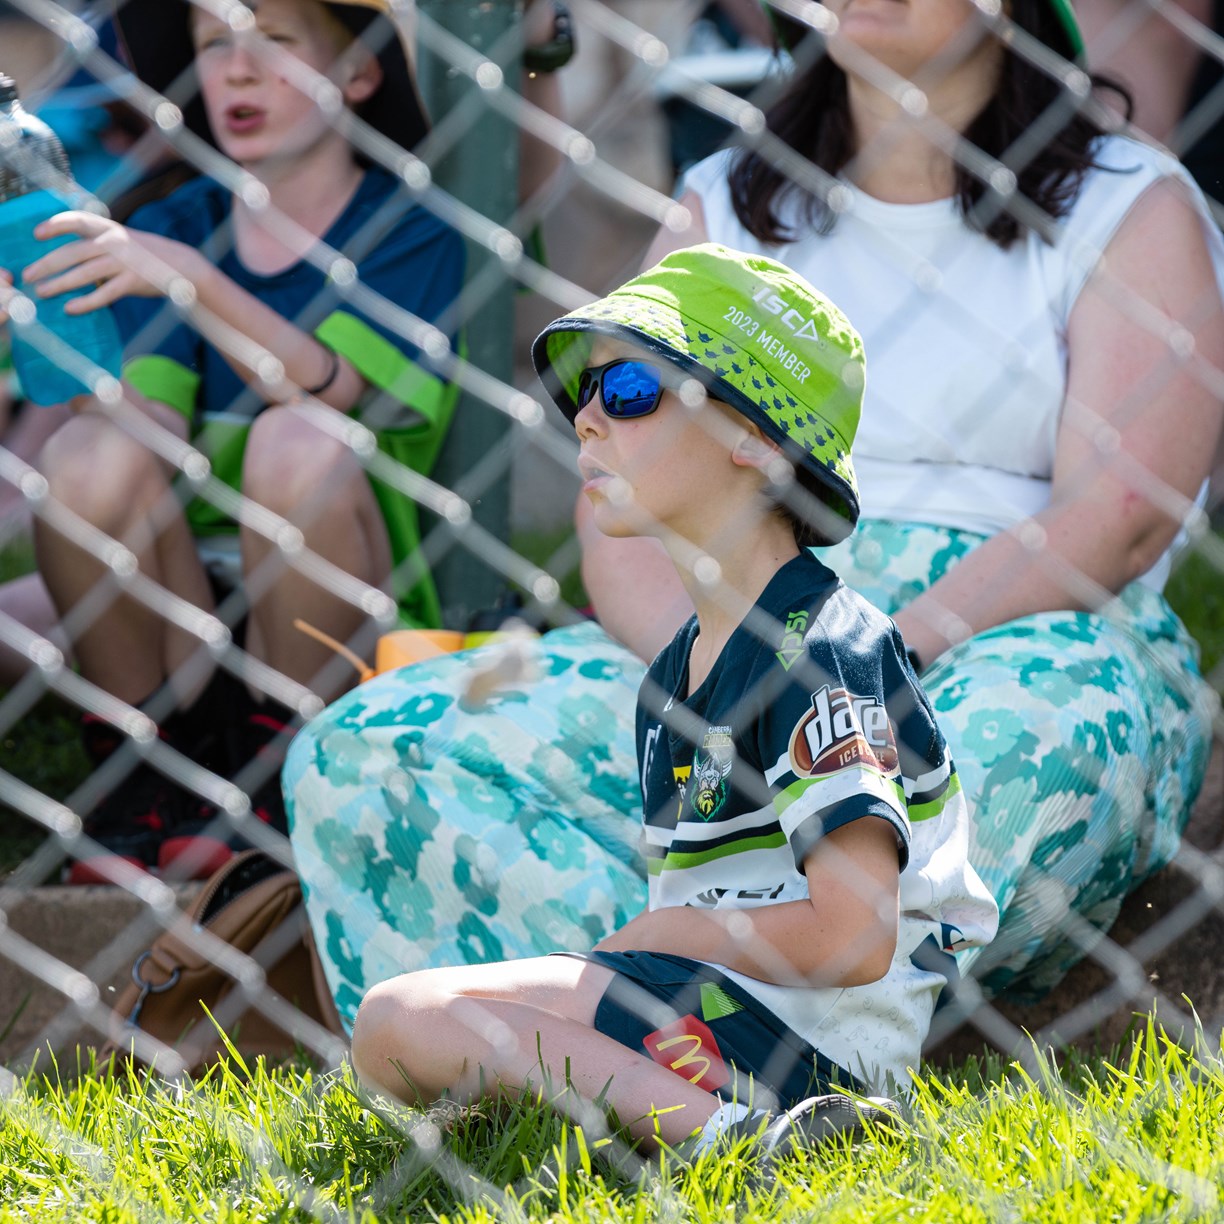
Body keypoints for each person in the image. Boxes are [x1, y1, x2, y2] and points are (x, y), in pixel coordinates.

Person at [285, 0, 1223, 1029]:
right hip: (719, 618)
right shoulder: (729, 197)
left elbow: (1121, 513)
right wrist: (725, 688)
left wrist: (850, 671)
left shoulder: (1126, 200)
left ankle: (647, 1004)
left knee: (1041, 737)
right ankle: (659, 1017)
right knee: (369, 748)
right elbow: (620, 495)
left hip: (1013, 633)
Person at [349, 243, 998, 1153]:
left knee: (402, 1017)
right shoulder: (673, 679)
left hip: (807, 1048)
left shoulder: (819, 647)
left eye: (628, 390)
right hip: (710, 1016)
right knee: (400, 1030)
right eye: (583, 394)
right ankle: (718, 1129)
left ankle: (749, 1141)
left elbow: (855, 939)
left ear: (757, 439)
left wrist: (673, 930)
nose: (586, 419)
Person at [0, 0, 467, 883]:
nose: (238, 69)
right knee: (82, 453)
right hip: (188, 610)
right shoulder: (180, 219)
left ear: (358, 73)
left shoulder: (410, 225)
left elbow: (329, 387)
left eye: (275, 41)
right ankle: (142, 773)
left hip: (334, 611)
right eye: (214, 45)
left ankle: (283, 777)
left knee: (296, 436)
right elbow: (146, 433)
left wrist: (190, 282)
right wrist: (38, 326)